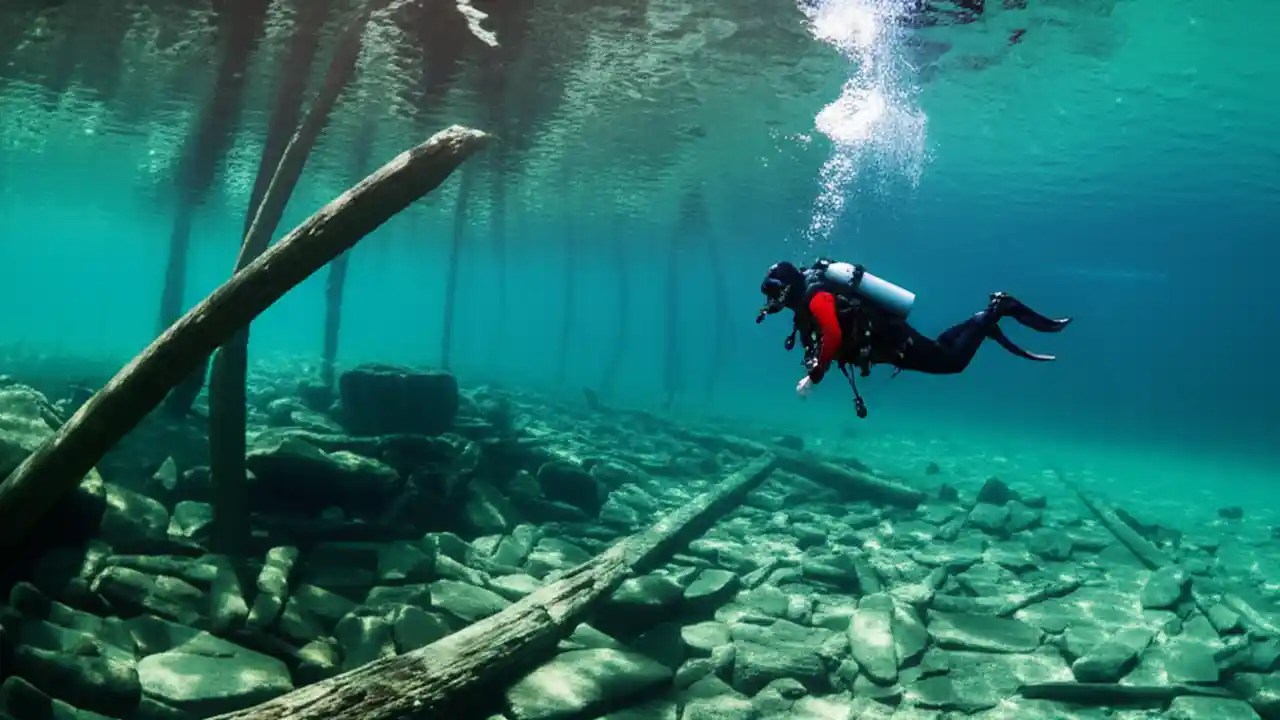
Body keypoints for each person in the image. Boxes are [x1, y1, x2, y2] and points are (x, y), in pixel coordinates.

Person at [756, 258, 1071, 417]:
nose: (772, 300)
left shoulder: (816, 297)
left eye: (773, 291)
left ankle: (996, 311)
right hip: (889, 340)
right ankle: (982, 321)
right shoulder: (810, 292)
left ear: (785, 286)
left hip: (892, 342)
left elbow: (834, 335)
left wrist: (814, 378)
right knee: (940, 352)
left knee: (952, 362)